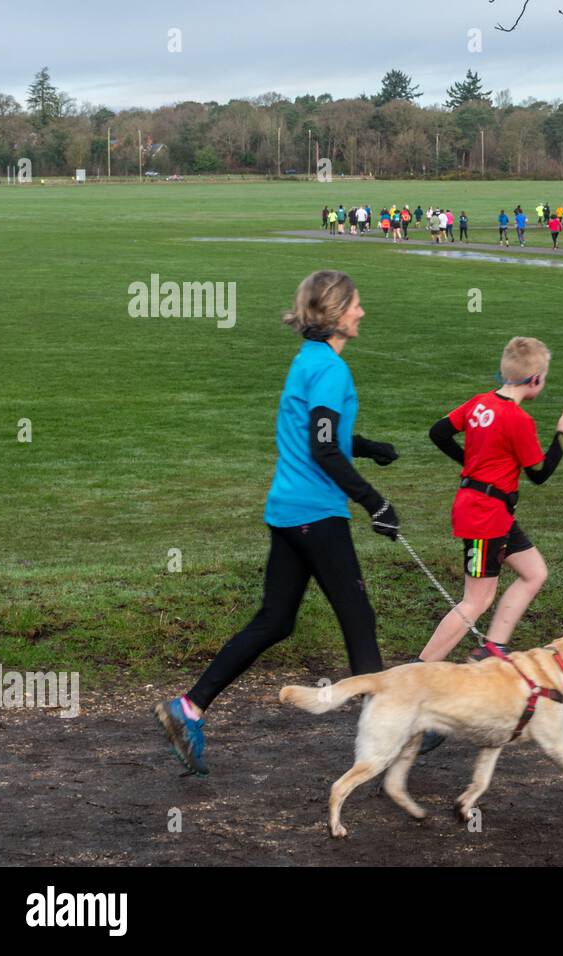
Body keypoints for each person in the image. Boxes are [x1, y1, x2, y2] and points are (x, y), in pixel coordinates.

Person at [155, 271, 401, 776]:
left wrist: (369, 447)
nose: (362, 312)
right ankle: (392, 738)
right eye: (356, 304)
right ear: (335, 313)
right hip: (317, 514)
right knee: (359, 623)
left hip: (287, 513)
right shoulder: (331, 370)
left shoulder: (307, 360)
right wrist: (373, 502)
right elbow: (323, 446)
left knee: (276, 620)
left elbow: (318, 432)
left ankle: (190, 707)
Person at [419, 337, 563, 678]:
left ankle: (493, 648)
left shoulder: (480, 403)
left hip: (492, 512)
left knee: (534, 572)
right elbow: (539, 474)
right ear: (536, 379)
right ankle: (417, 672)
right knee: (476, 600)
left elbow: (438, 432)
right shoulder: (517, 420)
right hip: (484, 516)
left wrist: (471, 464)